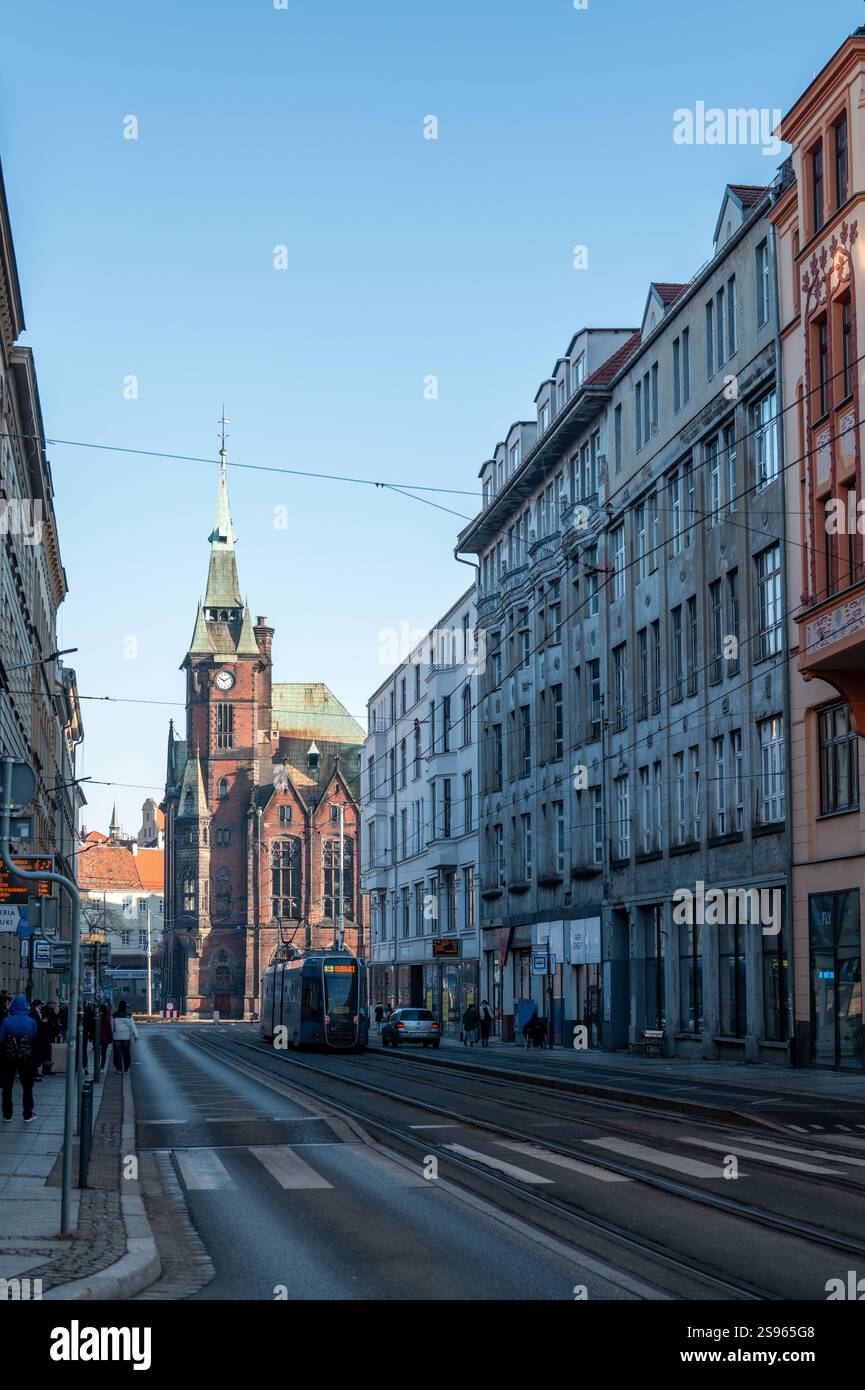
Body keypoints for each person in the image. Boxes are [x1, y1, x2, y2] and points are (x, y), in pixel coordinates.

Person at [0, 994, 38, 1122]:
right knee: (27, 1086)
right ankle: (27, 1113)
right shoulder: (32, 1022)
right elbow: (34, 1037)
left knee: (7, 1086)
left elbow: (1, 1038)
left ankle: (7, 1113)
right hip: (26, 1058)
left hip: (9, 1057)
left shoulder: (6, 1021)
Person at [111, 1000, 139, 1073]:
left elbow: (111, 1026)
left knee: (117, 1054)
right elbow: (133, 1026)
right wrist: (136, 1036)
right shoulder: (129, 1015)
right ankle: (126, 1067)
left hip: (116, 1037)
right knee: (126, 1053)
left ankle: (118, 1068)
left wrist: (111, 1035)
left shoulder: (114, 1015)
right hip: (126, 1037)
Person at [98, 1003, 113, 1069]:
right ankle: (102, 1067)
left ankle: (101, 1066)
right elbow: (109, 1029)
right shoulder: (106, 1018)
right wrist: (111, 1038)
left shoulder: (98, 1018)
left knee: (102, 1053)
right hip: (104, 1038)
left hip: (99, 1038)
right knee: (103, 1053)